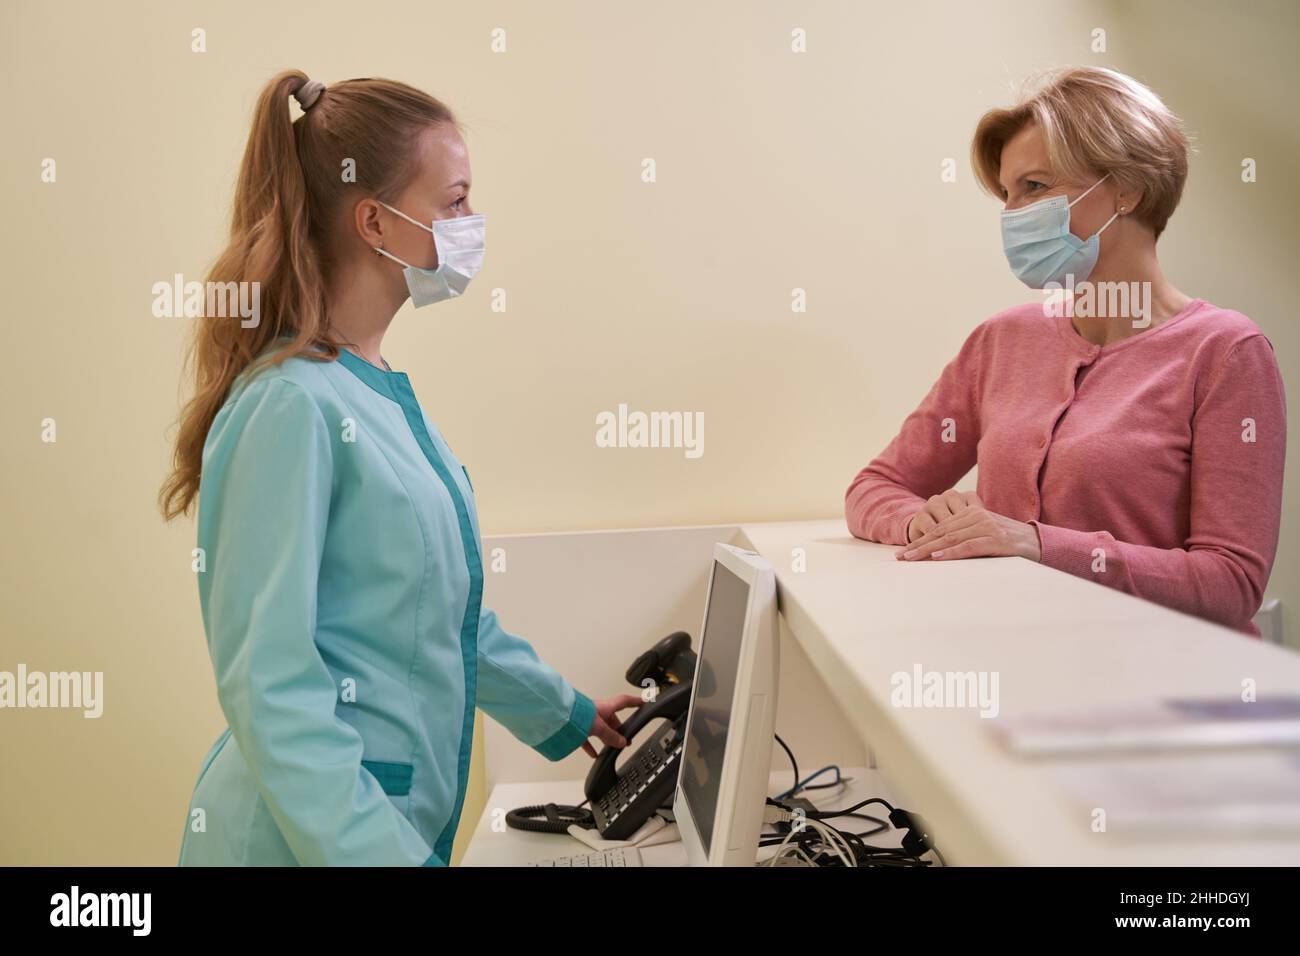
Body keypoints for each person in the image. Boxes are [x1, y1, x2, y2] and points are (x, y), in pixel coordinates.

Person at [160, 70, 638, 865]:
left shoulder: (370, 394)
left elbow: (440, 621)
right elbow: (270, 691)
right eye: (453, 202)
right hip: (295, 842)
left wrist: (568, 712)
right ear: (375, 221)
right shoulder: (288, 407)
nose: (472, 223)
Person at [845, 67, 1285, 637]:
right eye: (1006, 194)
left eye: (1034, 187)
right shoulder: (1000, 342)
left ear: (1126, 189)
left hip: (1165, 685)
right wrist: (921, 521)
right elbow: (873, 489)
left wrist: (1033, 543)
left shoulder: (1227, 353)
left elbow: (1231, 583)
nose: (1012, 215)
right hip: (1020, 661)